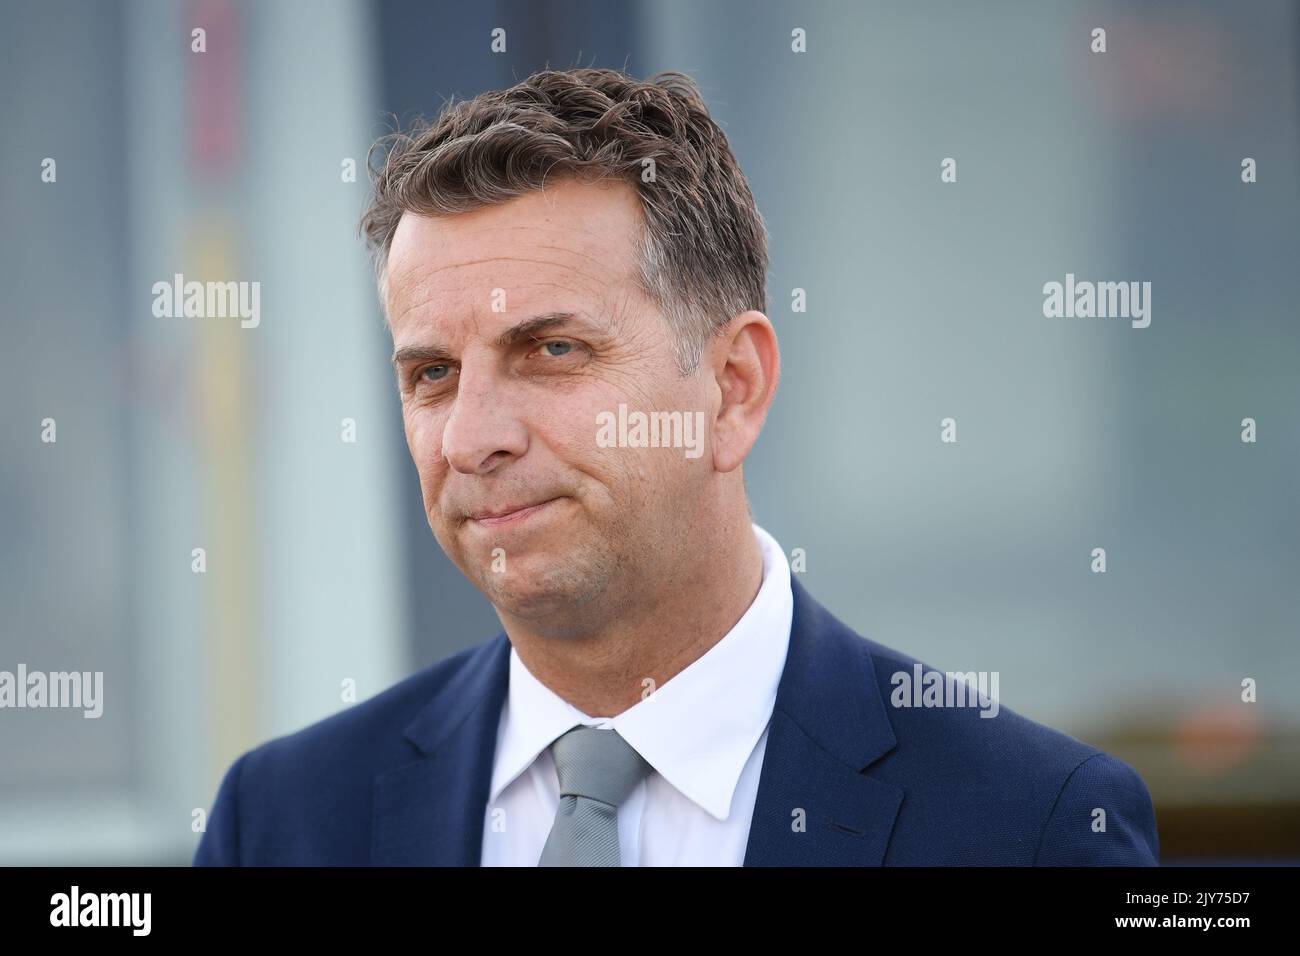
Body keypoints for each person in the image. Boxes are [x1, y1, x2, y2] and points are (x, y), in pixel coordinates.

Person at [194, 67, 1159, 866]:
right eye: (433, 373)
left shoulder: (1032, 828)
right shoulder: (281, 822)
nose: (471, 436)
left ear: (733, 387)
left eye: (552, 351)